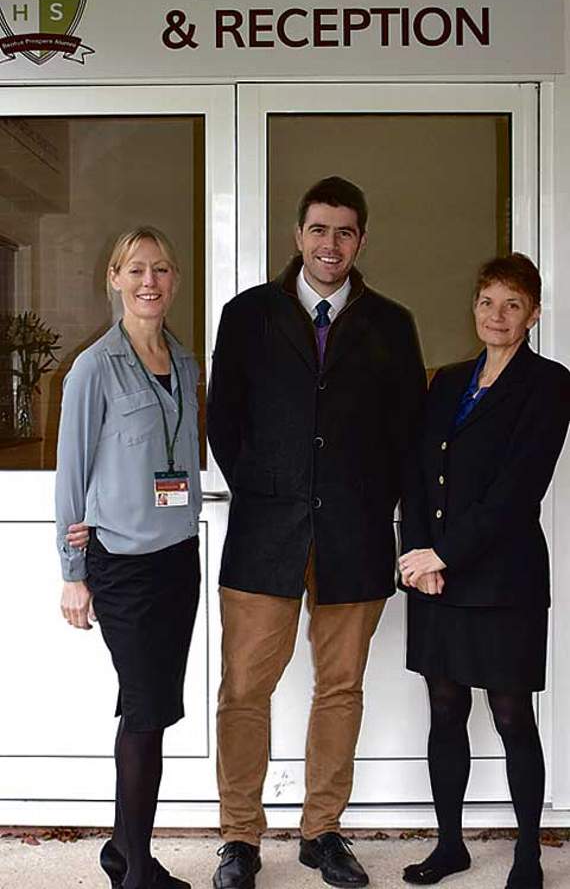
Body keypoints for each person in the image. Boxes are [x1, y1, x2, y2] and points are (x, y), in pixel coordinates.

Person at [207, 176, 426, 889]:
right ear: (298, 235)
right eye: (318, 229)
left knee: (341, 687)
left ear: (361, 240)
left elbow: (407, 433)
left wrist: (372, 503)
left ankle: (321, 830)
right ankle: (239, 836)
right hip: (264, 533)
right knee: (245, 688)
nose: (330, 243)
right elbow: (225, 420)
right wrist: (269, 491)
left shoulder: (392, 323)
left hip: (354, 535)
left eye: (344, 231)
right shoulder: (248, 315)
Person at [398, 253, 570, 889]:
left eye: (513, 305)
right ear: (474, 307)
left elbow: (518, 489)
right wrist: (419, 558)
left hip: (503, 581)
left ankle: (529, 855)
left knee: (510, 714)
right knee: (444, 708)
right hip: (436, 577)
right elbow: (414, 474)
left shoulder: (550, 384)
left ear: (533, 315)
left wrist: (444, 554)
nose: (497, 316)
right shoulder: (444, 382)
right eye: (487, 302)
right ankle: (451, 846)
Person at [57, 226, 202, 889]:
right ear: (113, 278)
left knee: (157, 708)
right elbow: (71, 475)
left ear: (174, 281)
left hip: (180, 559)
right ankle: (136, 870)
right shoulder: (93, 367)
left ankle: (125, 849)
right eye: (136, 268)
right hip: (121, 563)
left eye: (162, 269)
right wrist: (73, 573)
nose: (150, 280)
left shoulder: (187, 360)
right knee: (144, 710)